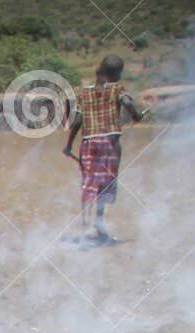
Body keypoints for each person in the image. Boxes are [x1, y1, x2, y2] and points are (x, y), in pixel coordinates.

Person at [63, 55, 146, 243]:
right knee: (105, 184)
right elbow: (126, 102)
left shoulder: (85, 92)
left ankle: (85, 225)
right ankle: (99, 224)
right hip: (110, 142)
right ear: (118, 74)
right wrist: (136, 116)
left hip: (89, 142)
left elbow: (78, 120)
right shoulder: (117, 89)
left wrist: (68, 145)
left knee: (89, 183)